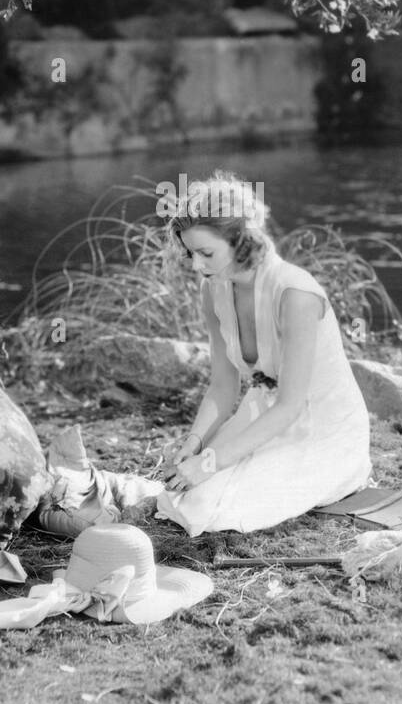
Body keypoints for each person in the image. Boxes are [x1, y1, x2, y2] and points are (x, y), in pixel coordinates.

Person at [156, 173, 371, 535]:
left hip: (319, 427)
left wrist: (209, 463)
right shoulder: (214, 291)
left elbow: (290, 406)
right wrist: (195, 444)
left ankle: (335, 474)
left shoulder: (295, 293)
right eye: (191, 253)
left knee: (212, 507)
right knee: (182, 495)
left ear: (240, 239)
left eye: (206, 253)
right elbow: (223, 386)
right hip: (262, 415)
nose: (196, 265)